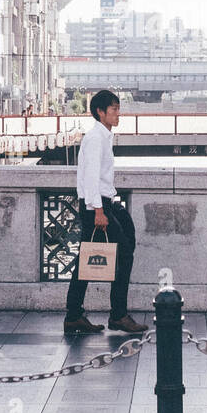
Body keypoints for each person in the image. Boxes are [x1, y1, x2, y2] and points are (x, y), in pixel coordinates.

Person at [64, 89, 147, 336]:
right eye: (113, 109)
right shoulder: (95, 138)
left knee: (89, 260)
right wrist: (99, 210)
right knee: (121, 255)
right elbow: (90, 177)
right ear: (100, 112)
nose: (118, 113)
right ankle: (118, 316)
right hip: (96, 207)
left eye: (118, 108)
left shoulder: (104, 136)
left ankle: (74, 315)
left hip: (104, 204)